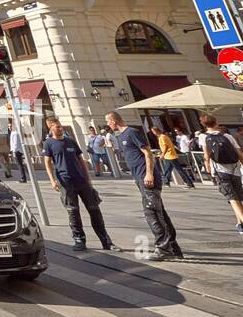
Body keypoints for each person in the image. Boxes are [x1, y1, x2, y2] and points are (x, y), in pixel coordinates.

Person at [105, 111, 183, 260]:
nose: (108, 125)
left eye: (108, 122)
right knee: (159, 211)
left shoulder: (132, 132)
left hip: (146, 176)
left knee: (151, 211)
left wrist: (149, 173)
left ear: (114, 121)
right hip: (139, 177)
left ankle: (163, 248)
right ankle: (173, 248)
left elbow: (148, 153)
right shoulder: (120, 136)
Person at [41, 117, 120, 253]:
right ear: (51, 128)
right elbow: (47, 163)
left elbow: (80, 159)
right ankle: (79, 240)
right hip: (65, 182)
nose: (60, 128)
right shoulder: (49, 143)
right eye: (57, 127)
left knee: (94, 209)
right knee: (73, 211)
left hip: (81, 180)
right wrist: (52, 180)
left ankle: (106, 241)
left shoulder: (71, 142)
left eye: (60, 126)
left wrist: (88, 177)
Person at [198, 113, 243, 238]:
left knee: (233, 199)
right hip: (235, 170)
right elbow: (241, 155)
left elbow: (206, 156)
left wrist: (209, 171)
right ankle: (242, 224)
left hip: (220, 171)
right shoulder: (227, 136)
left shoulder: (203, 137)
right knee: (237, 199)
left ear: (203, 125)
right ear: (216, 123)